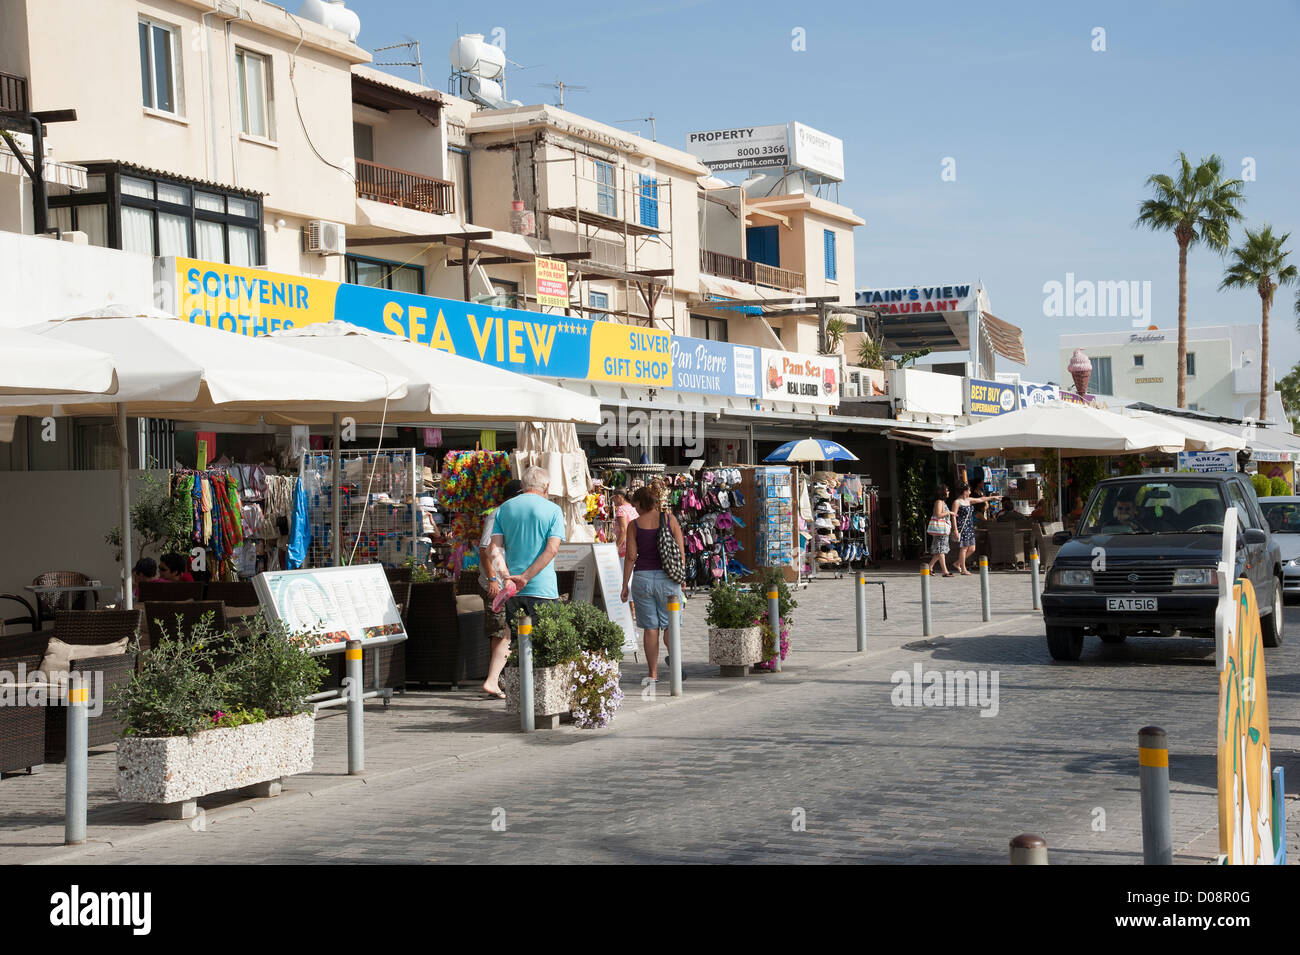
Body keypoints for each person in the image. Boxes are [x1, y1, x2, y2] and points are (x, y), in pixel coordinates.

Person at [491, 465, 566, 652]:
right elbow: (552, 550)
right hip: (542, 588)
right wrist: (525, 577)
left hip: (512, 591)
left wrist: (507, 577)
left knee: (518, 647)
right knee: (545, 647)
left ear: (522, 486)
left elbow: (494, 549)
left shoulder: (504, 509)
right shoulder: (554, 510)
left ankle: (521, 682)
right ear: (547, 487)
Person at [621, 483, 685, 684]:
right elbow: (681, 552)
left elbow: (631, 557)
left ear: (640, 503)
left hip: (643, 579)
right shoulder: (669, 519)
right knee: (670, 626)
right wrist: (681, 578)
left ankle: (653, 674)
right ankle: (675, 665)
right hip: (668, 579)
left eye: (635, 505)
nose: (635, 509)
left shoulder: (634, 525)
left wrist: (625, 585)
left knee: (650, 629)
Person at [478, 478, 523, 699]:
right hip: (498, 583)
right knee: (499, 630)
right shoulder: (498, 514)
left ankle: (499, 678)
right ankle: (494, 679)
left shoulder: (512, 514)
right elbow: (485, 549)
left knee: (507, 630)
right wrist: (493, 579)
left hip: (510, 583)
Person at [952, 483, 994, 575]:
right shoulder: (957, 502)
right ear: (964, 491)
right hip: (962, 526)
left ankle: (957, 563)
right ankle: (963, 569)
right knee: (964, 548)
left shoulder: (968, 500)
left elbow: (981, 499)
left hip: (970, 526)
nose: (970, 492)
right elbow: (953, 516)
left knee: (972, 548)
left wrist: (993, 498)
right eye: (969, 490)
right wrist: (955, 529)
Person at [926, 484, 954, 577]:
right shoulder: (939, 502)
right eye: (947, 490)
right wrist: (949, 512)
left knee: (940, 551)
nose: (948, 492)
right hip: (940, 530)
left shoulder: (942, 502)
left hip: (943, 530)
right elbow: (938, 514)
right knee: (941, 550)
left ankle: (930, 567)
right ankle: (944, 571)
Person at [612, 488, 640, 559]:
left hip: (625, 549)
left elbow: (623, 530)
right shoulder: (633, 508)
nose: (613, 500)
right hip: (635, 546)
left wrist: (616, 547)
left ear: (619, 496)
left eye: (613, 497)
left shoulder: (621, 510)